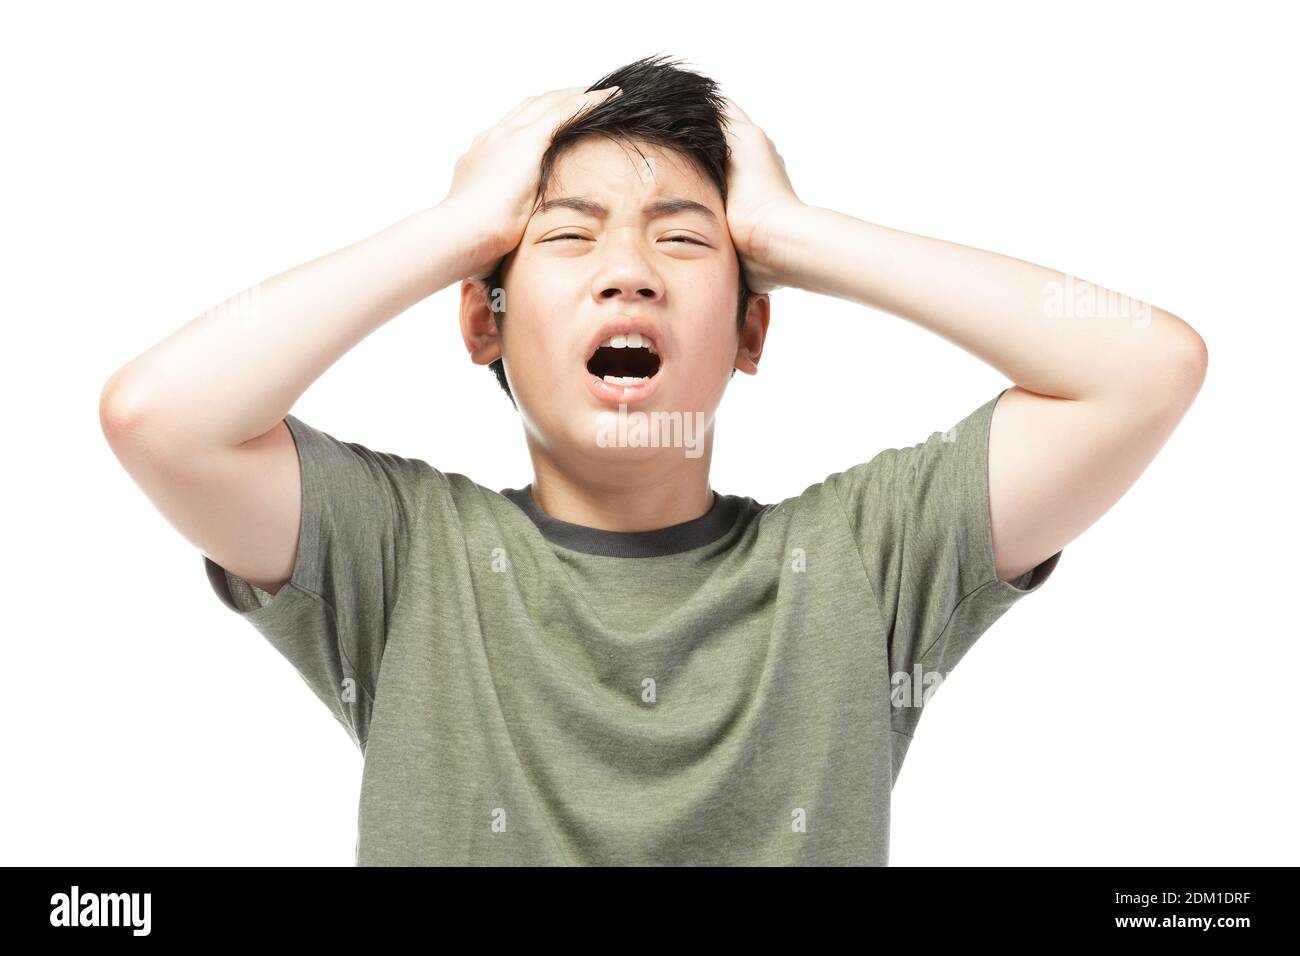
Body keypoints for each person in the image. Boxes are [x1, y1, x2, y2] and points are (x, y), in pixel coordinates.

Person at [99, 54, 1208, 865]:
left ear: (751, 333)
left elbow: (1145, 368)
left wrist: (793, 230)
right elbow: (160, 416)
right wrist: (460, 222)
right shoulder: (402, 555)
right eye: (568, 237)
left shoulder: (865, 555)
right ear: (481, 324)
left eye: (681, 239)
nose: (627, 271)